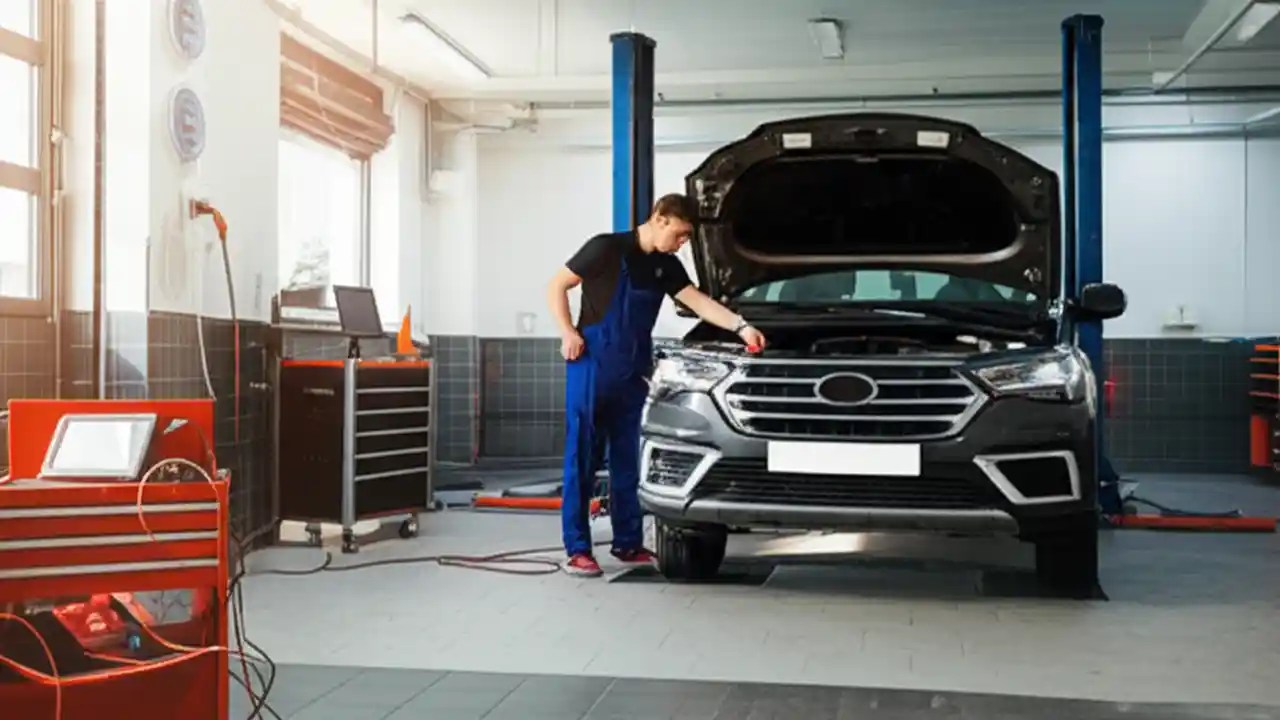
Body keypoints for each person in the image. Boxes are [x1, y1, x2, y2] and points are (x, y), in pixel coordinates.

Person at [546, 193, 768, 577]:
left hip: (634, 369)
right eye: (680, 235)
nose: (682, 243)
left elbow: (698, 302)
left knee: (629, 457)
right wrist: (567, 332)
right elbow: (557, 285)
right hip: (592, 362)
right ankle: (577, 549)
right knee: (582, 456)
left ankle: (628, 543)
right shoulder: (605, 248)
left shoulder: (666, 267)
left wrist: (741, 326)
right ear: (661, 219)